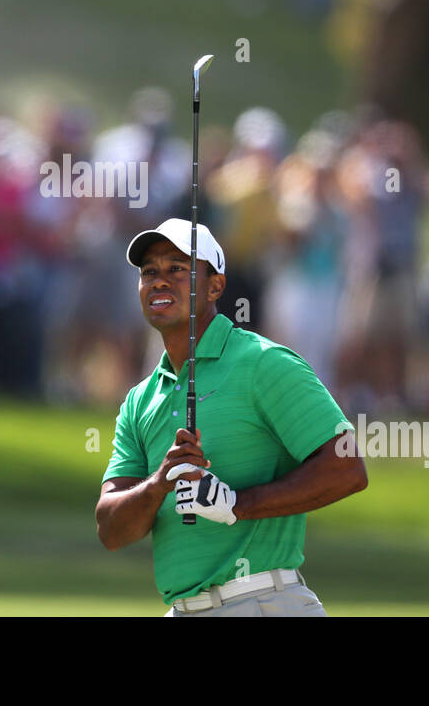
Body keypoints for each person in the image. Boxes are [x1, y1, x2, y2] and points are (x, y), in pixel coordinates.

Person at [96, 218, 367, 616]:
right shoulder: (140, 400)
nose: (159, 281)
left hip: (262, 602)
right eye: (149, 272)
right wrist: (157, 485)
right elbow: (111, 530)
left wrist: (237, 503)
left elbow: (347, 468)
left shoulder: (263, 362)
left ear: (215, 286)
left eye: (177, 269)